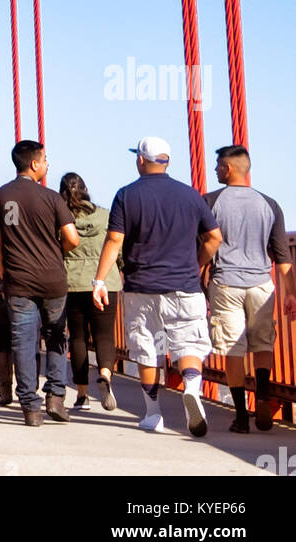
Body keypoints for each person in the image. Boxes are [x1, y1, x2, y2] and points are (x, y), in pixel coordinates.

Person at [93, 136, 222, 437]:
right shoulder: (191, 196)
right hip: (185, 286)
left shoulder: (126, 195)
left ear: (140, 160)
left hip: (142, 287)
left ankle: (153, 414)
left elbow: (114, 240)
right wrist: (197, 263)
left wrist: (100, 280)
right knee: (189, 342)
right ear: (167, 161)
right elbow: (214, 237)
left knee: (147, 347)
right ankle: (191, 385)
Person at [0, 141, 79, 427]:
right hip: (53, 280)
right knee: (56, 336)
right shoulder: (52, 198)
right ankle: (55, 395)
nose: (47, 164)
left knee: (24, 342)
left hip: (17, 282)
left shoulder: (1, 198)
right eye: (45, 159)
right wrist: (56, 252)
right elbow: (73, 239)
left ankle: (30, 407)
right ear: (34, 164)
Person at [204, 144, 296, 433]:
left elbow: (206, 245)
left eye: (218, 165)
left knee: (233, 347)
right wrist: (291, 292)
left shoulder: (210, 202)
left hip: (226, 283)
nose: (216, 169)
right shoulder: (270, 204)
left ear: (228, 168)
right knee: (263, 343)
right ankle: (264, 398)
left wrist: (196, 274)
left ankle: (241, 416)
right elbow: (283, 256)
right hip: (261, 285)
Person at [59, 172, 120, 411]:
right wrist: (120, 267)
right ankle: (105, 374)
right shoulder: (105, 215)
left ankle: (82, 395)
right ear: (85, 189)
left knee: (78, 338)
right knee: (104, 336)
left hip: (72, 283)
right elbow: (117, 245)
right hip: (105, 282)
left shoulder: (61, 219)